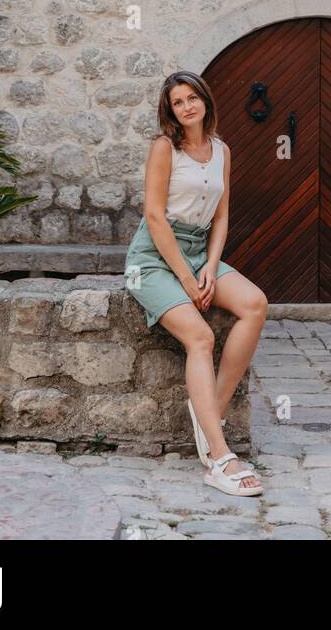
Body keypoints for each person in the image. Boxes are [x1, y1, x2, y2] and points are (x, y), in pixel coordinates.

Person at [123, 70, 268, 495]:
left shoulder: (221, 150)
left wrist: (210, 264)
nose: (186, 106)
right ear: (169, 110)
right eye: (177, 102)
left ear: (205, 100)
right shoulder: (165, 148)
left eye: (192, 98)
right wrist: (187, 278)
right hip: (152, 256)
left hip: (199, 251)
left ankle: (210, 417)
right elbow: (153, 215)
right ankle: (220, 458)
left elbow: (221, 216)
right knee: (201, 337)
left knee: (255, 303)